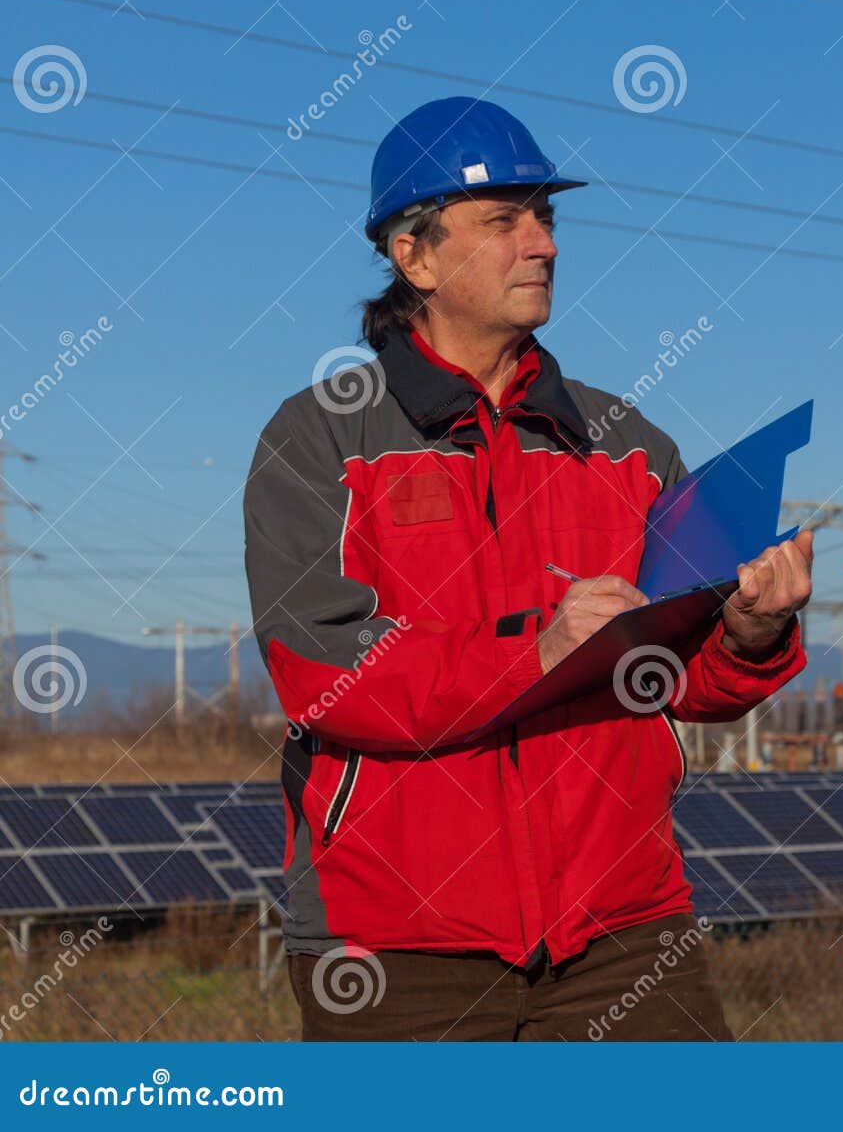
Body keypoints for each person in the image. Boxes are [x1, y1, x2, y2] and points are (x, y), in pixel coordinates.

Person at [242, 97, 813, 1040]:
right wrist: (537, 650)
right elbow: (325, 674)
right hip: (398, 950)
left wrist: (753, 631)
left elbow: (679, 675)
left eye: (546, 217)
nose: (542, 242)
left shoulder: (628, 444)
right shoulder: (318, 438)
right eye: (504, 219)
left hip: (626, 931)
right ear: (412, 255)